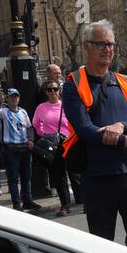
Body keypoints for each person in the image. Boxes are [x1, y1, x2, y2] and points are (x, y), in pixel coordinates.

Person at [62, 19, 127, 249]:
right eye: (100, 44)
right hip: (97, 177)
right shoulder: (73, 84)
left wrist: (121, 125)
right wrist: (124, 140)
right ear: (86, 46)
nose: (107, 49)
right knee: (102, 247)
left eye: (111, 44)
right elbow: (85, 129)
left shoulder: (126, 82)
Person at [32, 79, 73, 215]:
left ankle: (83, 201)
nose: (52, 92)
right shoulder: (41, 107)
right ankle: (65, 205)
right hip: (52, 146)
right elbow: (36, 123)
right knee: (59, 176)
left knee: (76, 173)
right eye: (49, 89)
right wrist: (43, 133)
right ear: (46, 92)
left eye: (55, 89)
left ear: (58, 90)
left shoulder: (65, 105)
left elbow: (73, 121)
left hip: (67, 142)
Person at [0, 87, 39, 212]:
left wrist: (31, 140)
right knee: (13, 178)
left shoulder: (23, 112)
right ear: (7, 98)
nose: (14, 98)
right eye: (12, 96)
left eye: (16, 96)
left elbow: (29, 127)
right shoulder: (3, 112)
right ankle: (16, 203)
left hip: (25, 147)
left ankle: (27, 200)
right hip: (11, 148)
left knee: (26, 177)